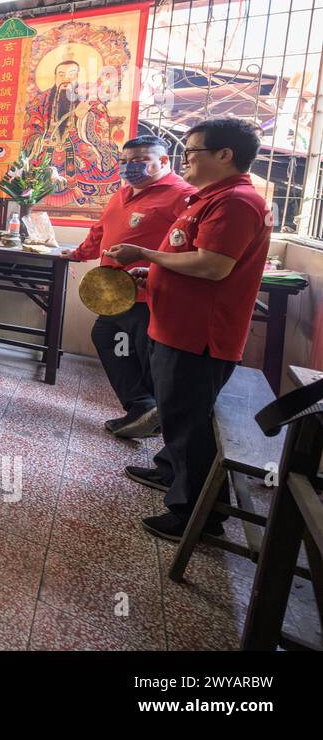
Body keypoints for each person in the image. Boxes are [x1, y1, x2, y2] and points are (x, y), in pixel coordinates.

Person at [104, 118, 271, 542]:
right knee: (177, 412)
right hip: (176, 323)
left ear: (224, 155)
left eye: (192, 152)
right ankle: (170, 472)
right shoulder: (207, 199)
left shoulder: (236, 202)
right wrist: (153, 272)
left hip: (199, 334)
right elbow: (186, 254)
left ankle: (195, 516)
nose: (186, 160)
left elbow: (214, 265)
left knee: (190, 422)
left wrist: (146, 254)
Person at [64, 135, 195, 439]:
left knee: (146, 356)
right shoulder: (122, 194)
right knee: (109, 337)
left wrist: (152, 267)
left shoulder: (183, 196)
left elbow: (189, 247)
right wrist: (80, 253)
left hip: (150, 294)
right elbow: (101, 230)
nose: (130, 167)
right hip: (113, 294)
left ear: (163, 161)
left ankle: (152, 415)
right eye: (125, 161)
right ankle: (142, 407)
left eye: (140, 160)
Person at [24, 59, 119, 207]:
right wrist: (39, 140)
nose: (66, 78)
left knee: (90, 160)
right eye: (61, 74)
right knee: (31, 164)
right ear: (55, 76)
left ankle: (84, 193)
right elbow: (31, 124)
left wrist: (83, 117)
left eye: (71, 74)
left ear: (78, 77)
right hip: (46, 142)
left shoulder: (87, 96)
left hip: (79, 140)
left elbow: (100, 118)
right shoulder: (41, 99)